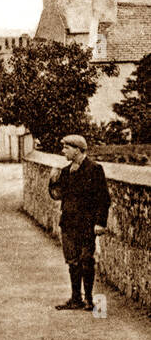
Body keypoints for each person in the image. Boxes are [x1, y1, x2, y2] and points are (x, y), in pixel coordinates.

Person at [48, 134, 110, 312]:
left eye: (67, 147)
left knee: (86, 260)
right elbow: (58, 196)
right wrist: (52, 182)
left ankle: (90, 299)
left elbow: (103, 199)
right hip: (68, 223)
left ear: (77, 149)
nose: (63, 151)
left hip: (86, 224)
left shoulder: (94, 169)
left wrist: (100, 222)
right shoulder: (66, 171)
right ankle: (76, 298)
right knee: (72, 261)